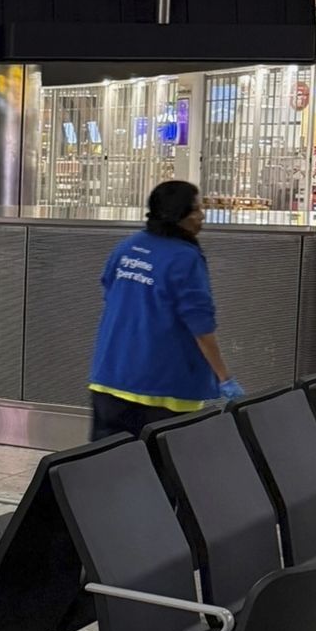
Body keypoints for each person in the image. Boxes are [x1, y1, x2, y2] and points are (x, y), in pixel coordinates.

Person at [87, 180, 243, 441]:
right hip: (165, 389)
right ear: (177, 216)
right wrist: (225, 377)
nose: (202, 216)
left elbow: (109, 292)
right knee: (168, 471)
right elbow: (201, 326)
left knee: (109, 471)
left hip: (110, 378)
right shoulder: (184, 258)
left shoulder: (127, 248)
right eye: (196, 209)